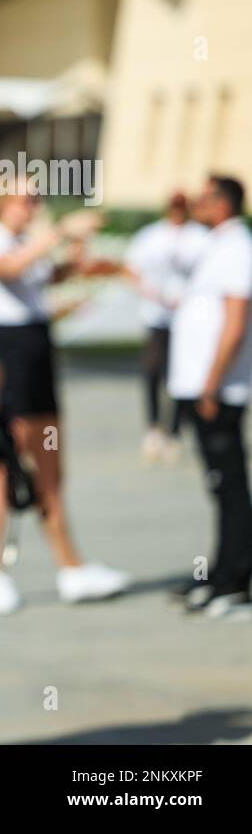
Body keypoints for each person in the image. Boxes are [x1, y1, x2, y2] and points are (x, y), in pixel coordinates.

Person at [0, 176, 129, 614]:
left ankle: (70, 566)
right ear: (0, 201)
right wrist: (59, 233)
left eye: (35, 199)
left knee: (50, 465)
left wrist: (76, 254)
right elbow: (8, 269)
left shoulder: (24, 240)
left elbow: (42, 279)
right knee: (5, 466)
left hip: (36, 347)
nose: (30, 207)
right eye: (23, 199)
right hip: (7, 351)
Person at [167, 175, 252, 617]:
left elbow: (235, 323)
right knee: (218, 484)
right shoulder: (216, 244)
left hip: (217, 389)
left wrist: (212, 383)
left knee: (230, 483)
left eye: (203, 198)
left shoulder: (237, 248)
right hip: (203, 386)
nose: (196, 204)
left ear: (223, 203)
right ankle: (221, 574)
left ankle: (238, 581)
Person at [123, 192, 207, 463]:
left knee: (181, 374)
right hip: (157, 314)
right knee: (153, 370)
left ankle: (174, 431)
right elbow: (130, 267)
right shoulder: (152, 236)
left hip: (188, 316)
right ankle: (154, 428)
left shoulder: (199, 237)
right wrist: (147, 290)